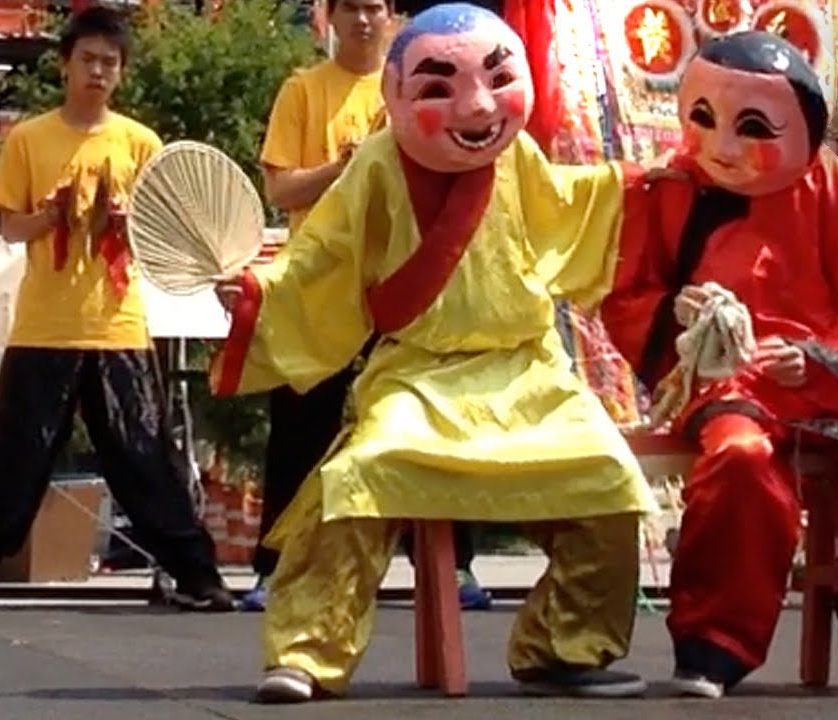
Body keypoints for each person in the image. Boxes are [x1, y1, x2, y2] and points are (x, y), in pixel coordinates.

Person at [210, 4, 659, 703]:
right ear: (397, 93)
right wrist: (255, 294)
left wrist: (643, 187)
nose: (476, 104)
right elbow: (322, 253)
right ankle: (307, 652)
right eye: (439, 86)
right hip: (418, 377)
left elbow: (568, 207)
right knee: (357, 478)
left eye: (496, 78)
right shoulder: (378, 163)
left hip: (528, 373)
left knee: (608, 479)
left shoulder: (518, 154)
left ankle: (561, 647)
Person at [601, 31, 838, 698]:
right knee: (741, 462)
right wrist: (684, 316)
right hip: (731, 382)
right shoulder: (663, 190)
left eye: (751, 129)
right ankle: (714, 639)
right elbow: (627, 294)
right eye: (704, 119)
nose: (722, 146)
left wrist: (819, 361)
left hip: (833, 385)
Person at [0, 6, 234, 612]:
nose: (98, 71)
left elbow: (160, 240)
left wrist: (126, 223)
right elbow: (10, 229)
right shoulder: (30, 137)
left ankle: (194, 571)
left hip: (118, 323)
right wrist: (51, 215)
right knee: (17, 451)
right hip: (44, 326)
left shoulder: (139, 142)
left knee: (143, 450)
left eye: (110, 61)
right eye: (88, 59)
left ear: (121, 72)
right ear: (65, 66)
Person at [249, 0, 489, 612]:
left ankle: (452, 566)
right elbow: (280, 188)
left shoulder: (422, 85)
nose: (363, 19)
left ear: (393, 16)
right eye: (349, 6)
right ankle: (278, 565)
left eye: (374, 7)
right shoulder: (303, 92)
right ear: (328, 16)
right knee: (304, 426)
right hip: (323, 285)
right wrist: (347, 168)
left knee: (431, 416)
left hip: (407, 280)